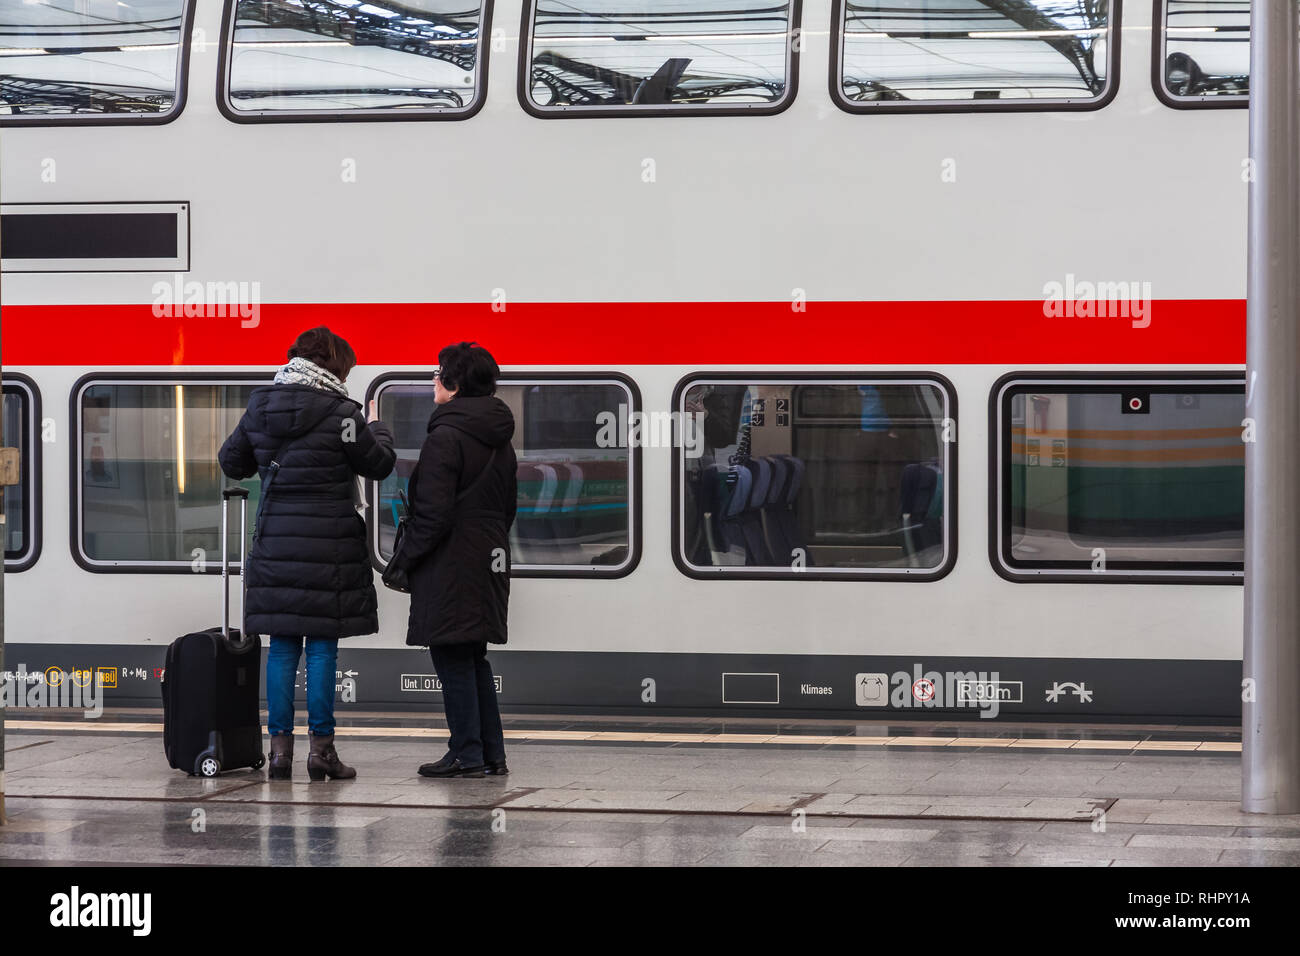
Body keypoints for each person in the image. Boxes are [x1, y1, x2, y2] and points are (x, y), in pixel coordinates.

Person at [219, 327, 395, 781]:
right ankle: (322, 753)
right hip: (329, 545)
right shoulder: (343, 413)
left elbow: (231, 462)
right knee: (321, 650)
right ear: (335, 367)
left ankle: (279, 754)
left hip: (277, 540)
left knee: (280, 649)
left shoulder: (260, 405)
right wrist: (379, 428)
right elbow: (378, 464)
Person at [388, 342, 517, 778]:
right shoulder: (500, 439)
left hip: (451, 562)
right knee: (473, 656)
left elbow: (433, 514)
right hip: (487, 557)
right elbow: (508, 508)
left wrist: (404, 560)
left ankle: (466, 752)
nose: (432, 379)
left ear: (455, 384)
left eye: (438, 372)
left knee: (451, 657)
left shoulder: (446, 436)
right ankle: (489, 753)